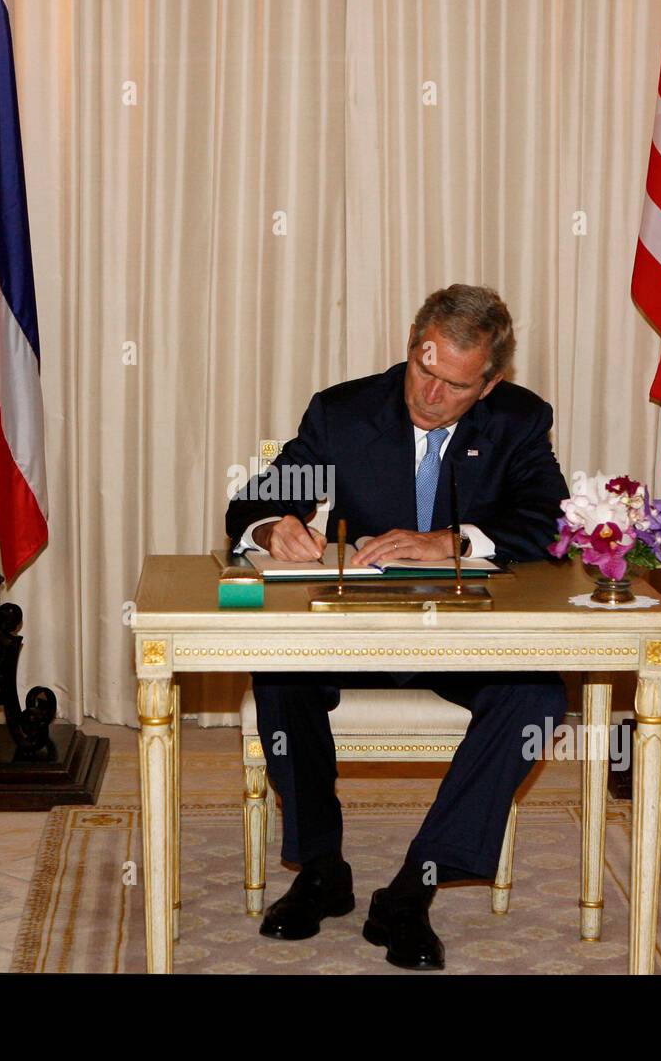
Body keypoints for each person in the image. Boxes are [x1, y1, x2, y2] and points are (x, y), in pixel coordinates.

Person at [226, 284, 570, 970]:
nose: (431, 395)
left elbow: (551, 522)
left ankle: (415, 887)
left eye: (455, 386)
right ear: (413, 342)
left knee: (536, 696)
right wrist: (275, 526)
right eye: (423, 369)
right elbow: (256, 502)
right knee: (277, 671)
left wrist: (455, 541)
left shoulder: (518, 420)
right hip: (350, 632)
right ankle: (322, 869)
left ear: (490, 384)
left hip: (461, 641)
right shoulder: (345, 412)